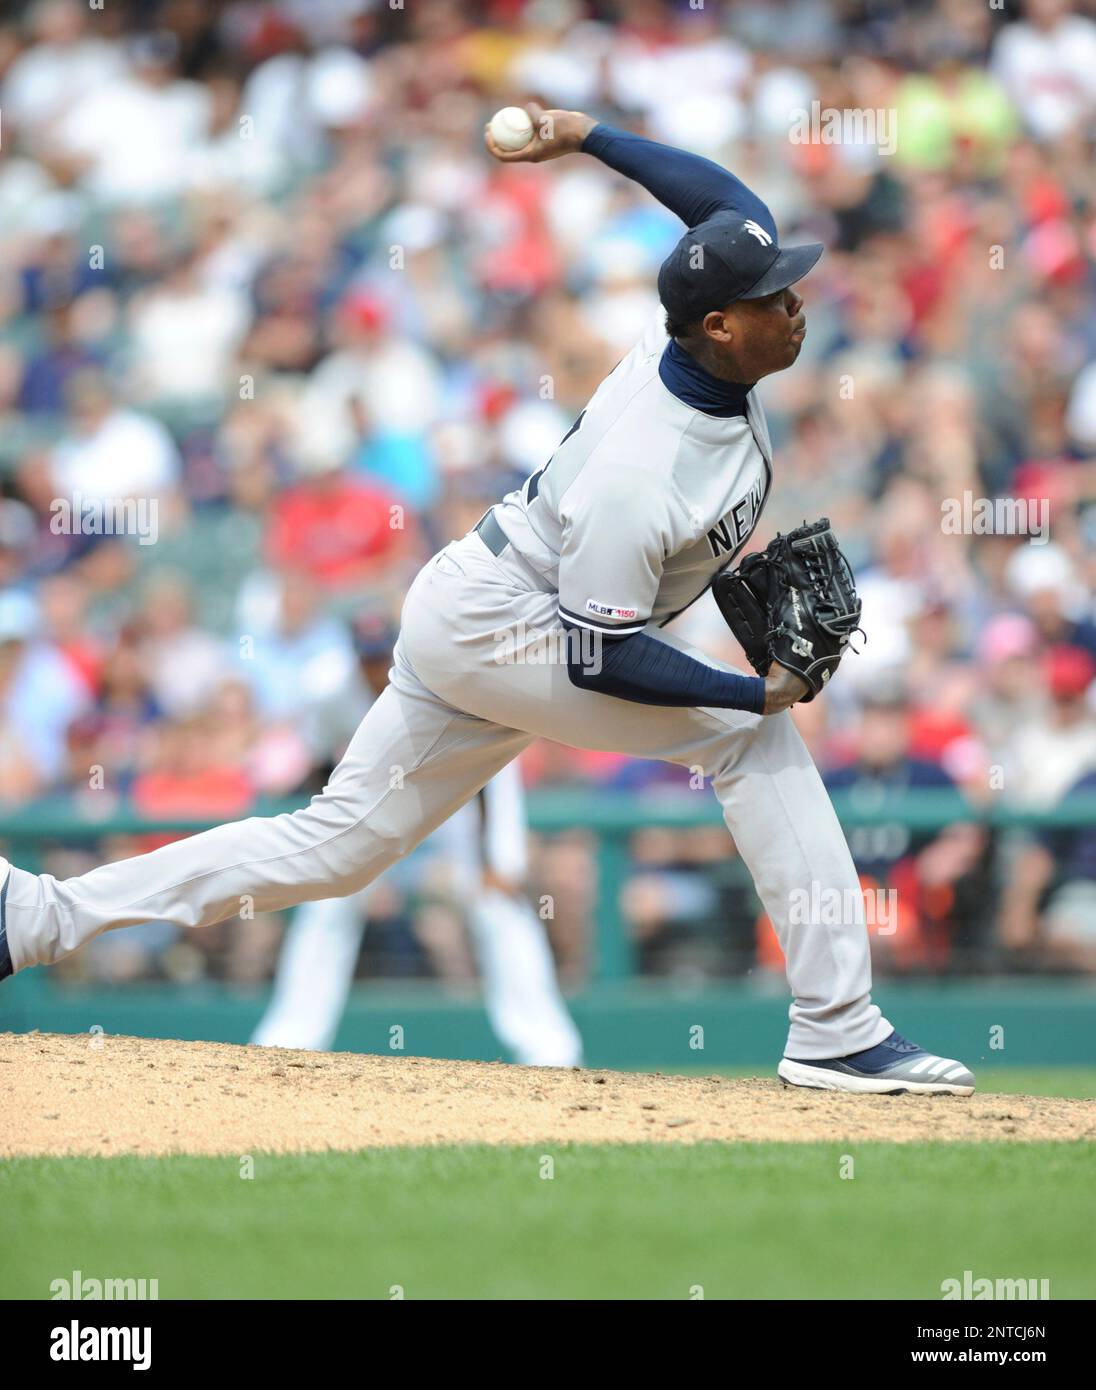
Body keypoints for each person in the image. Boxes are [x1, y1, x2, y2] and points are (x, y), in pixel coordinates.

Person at [0, 105, 974, 1095]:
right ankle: (837, 1027)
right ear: (719, 325)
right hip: (507, 626)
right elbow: (599, 658)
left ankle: (40, 916)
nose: (798, 305)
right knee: (751, 741)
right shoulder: (642, 474)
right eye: (775, 298)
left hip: (492, 602)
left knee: (336, 847)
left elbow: (720, 200)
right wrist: (750, 694)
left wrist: (589, 135)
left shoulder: (698, 338)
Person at [251, 613, 581, 1066]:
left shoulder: (437, 679)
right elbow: (320, 765)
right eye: (366, 658)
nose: (373, 667)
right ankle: (291, 1038)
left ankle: (549, 1047)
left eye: (379, 655)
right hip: (377, 814)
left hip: (452, 811)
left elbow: (493, 770)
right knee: (326, 906)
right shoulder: (333, 692)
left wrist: (499, 859)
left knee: (500, 908)